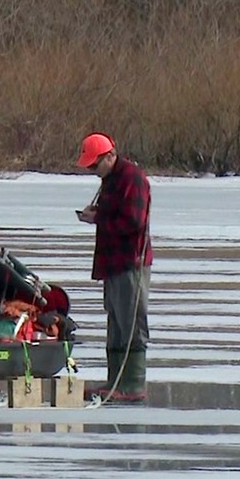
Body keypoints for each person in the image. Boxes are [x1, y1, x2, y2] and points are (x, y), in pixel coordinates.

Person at [75, 132, 152, 403]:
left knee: (131, 321)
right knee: (116, 321)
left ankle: (133, 384)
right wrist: (96, 214)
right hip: (112, 262)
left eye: (95, 165)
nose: (93, 171)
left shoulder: (132, 178)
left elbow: (133, 222)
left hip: (130, 261)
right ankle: (116, 381)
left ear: (109, 156)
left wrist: (98, 220)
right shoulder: (111, 179)